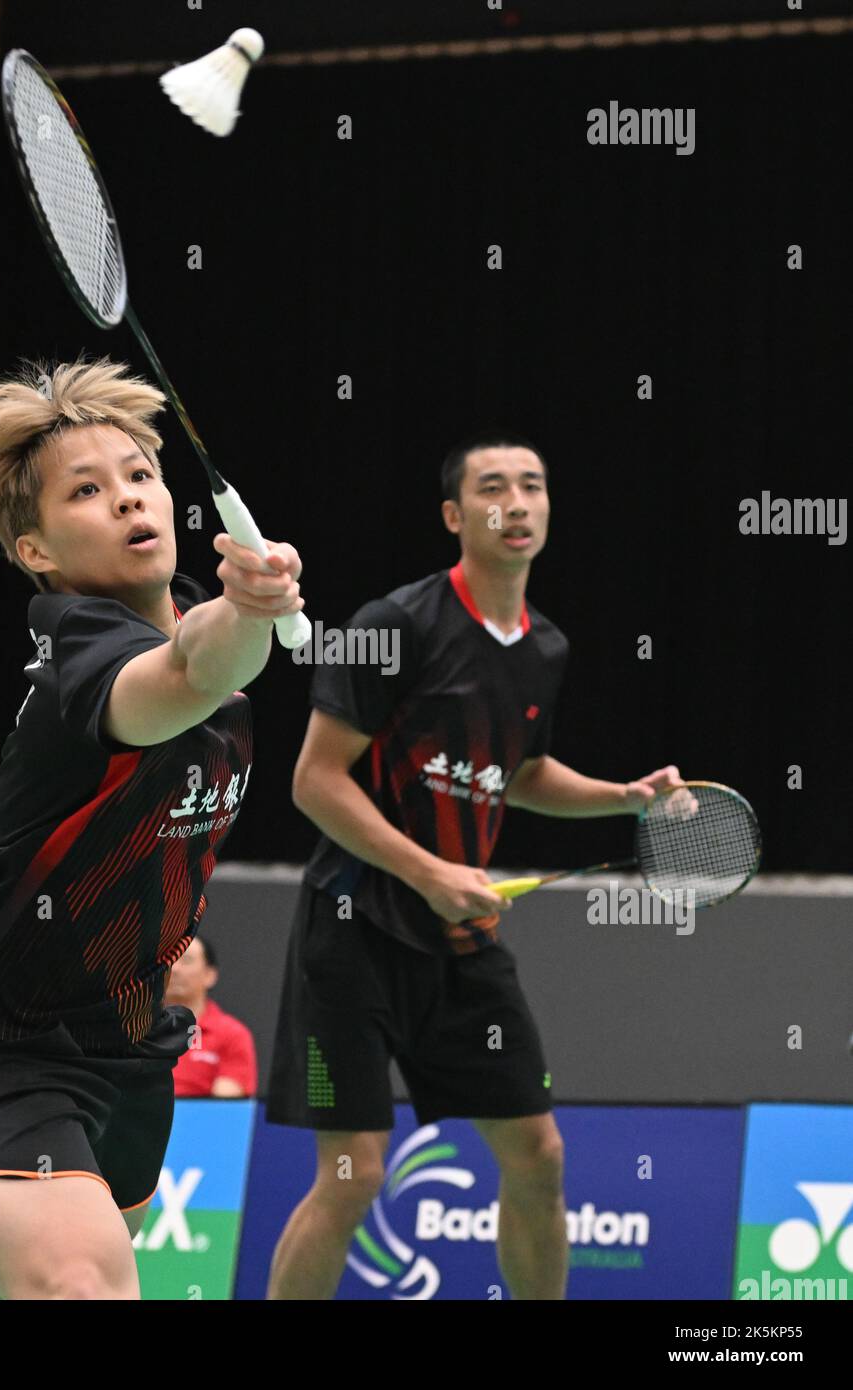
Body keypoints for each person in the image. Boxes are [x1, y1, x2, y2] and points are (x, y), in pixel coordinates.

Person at [0, 356, 303, 1300]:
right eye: (86, 490)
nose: (125, 499)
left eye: (139, 477)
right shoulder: (78, 662)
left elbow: (215, 652)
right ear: (36, 550)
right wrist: (250, 611)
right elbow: (191, 675)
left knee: (33, 1291)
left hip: (129, 1049)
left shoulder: (198, 623)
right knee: (82, 1283)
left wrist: (244, 614)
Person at [265, 433, 686, 1300]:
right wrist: (427, 871)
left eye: (533, 485)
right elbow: (313, 781)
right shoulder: (392, 625)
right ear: (456, 515)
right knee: (354, 1176)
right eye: (494, 488)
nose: (519, 502)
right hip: (352, 930)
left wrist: (626, 795)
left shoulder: (545, 648)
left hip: (461, 936)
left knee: (538, 1155)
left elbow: (519, 773)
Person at [166, 935, 257, 1098]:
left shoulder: (232, 1035)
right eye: (169, 959)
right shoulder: (134, 1028)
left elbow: (224, 1108)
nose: (175, 968)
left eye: (186, 960)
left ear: (209, 975)